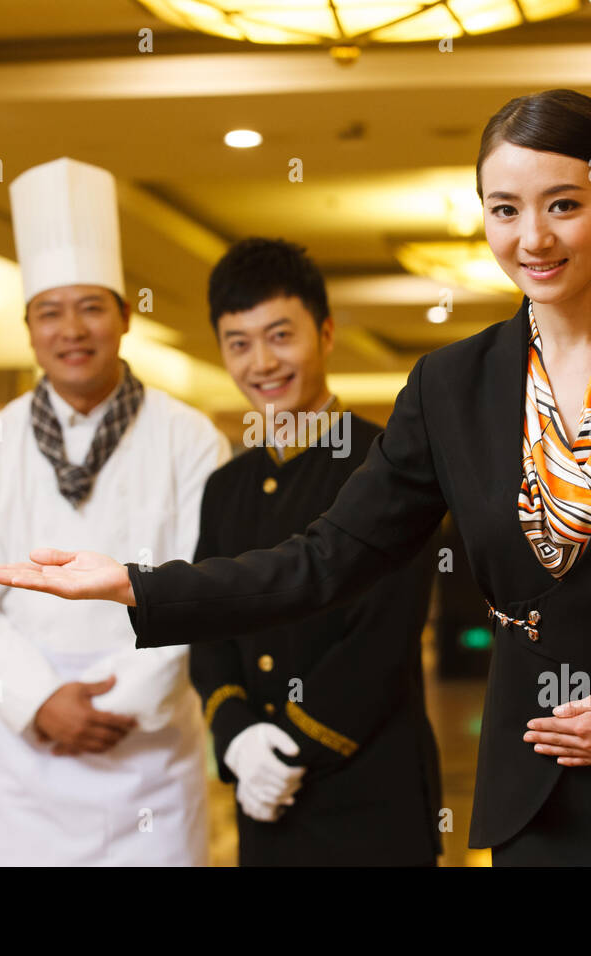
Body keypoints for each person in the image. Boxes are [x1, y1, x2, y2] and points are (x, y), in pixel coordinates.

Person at [0, 90, 591, 866]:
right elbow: (327, 559)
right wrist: (138, 585)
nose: (531, 238)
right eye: (505, 210)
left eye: (563, 205)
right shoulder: (450, 387)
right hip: (534, 780)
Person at [0, 157, 230, 865]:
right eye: (50, 311)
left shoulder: (191, 438)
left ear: (126, 316)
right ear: (29, 328)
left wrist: (119, 701)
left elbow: (204, 585)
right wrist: (39, 701)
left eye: (91, 306)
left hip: (150, 749)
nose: (72, 329)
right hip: (27, 753)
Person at [190, 237, 442, 865]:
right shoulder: (226, 487)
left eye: (281, 335)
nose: (262, 363)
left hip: (370, 794)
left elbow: (382, 638)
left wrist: (288, 746)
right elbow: (207, 627)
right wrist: (239, 738)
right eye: (238, 343)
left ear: (326, 333)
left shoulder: (386, 464)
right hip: (263, 797)